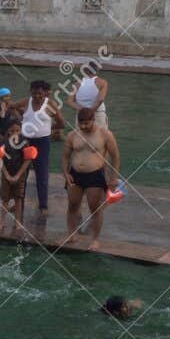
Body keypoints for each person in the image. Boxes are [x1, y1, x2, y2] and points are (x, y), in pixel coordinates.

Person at [61, 106, 122, 250]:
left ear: (93, 120)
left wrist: (114, 178)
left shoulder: (105, 134)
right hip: (75, 174)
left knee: (95, 207)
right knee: (73, 205)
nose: (83, 126)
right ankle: (71, 234)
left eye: (86, 123)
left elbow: (115, 157)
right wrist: (65, 172)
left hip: (95, 174)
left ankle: (95, 239)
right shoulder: (73, 135)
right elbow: (65, 157)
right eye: (81, 123)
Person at [18, 79, 60, 215]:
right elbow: (11, 106)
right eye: (34, 93)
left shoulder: (50, 105)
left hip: (42, 143)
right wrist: (20, 122)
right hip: (25, 141)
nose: (37, 96)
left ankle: (43, 205)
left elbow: (62, 123)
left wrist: (46, 128)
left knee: (41, 174)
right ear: (31, 92)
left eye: (40, 94)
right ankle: (19, 202)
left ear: (45, 94)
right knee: (21, 173)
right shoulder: (26, 102)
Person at [0, 118, 35, 234]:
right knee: (5, 199)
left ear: (21, 130)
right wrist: (7, 175)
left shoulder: (25, 142)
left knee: (18, 198)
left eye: (17, 131)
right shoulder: (3, 142)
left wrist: (18, 175)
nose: (15, 133)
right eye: (12, 131)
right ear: (7, 131)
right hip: (6, 173)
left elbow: (27, 160)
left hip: (20, 174)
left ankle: (17, 222)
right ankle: (1, 221)